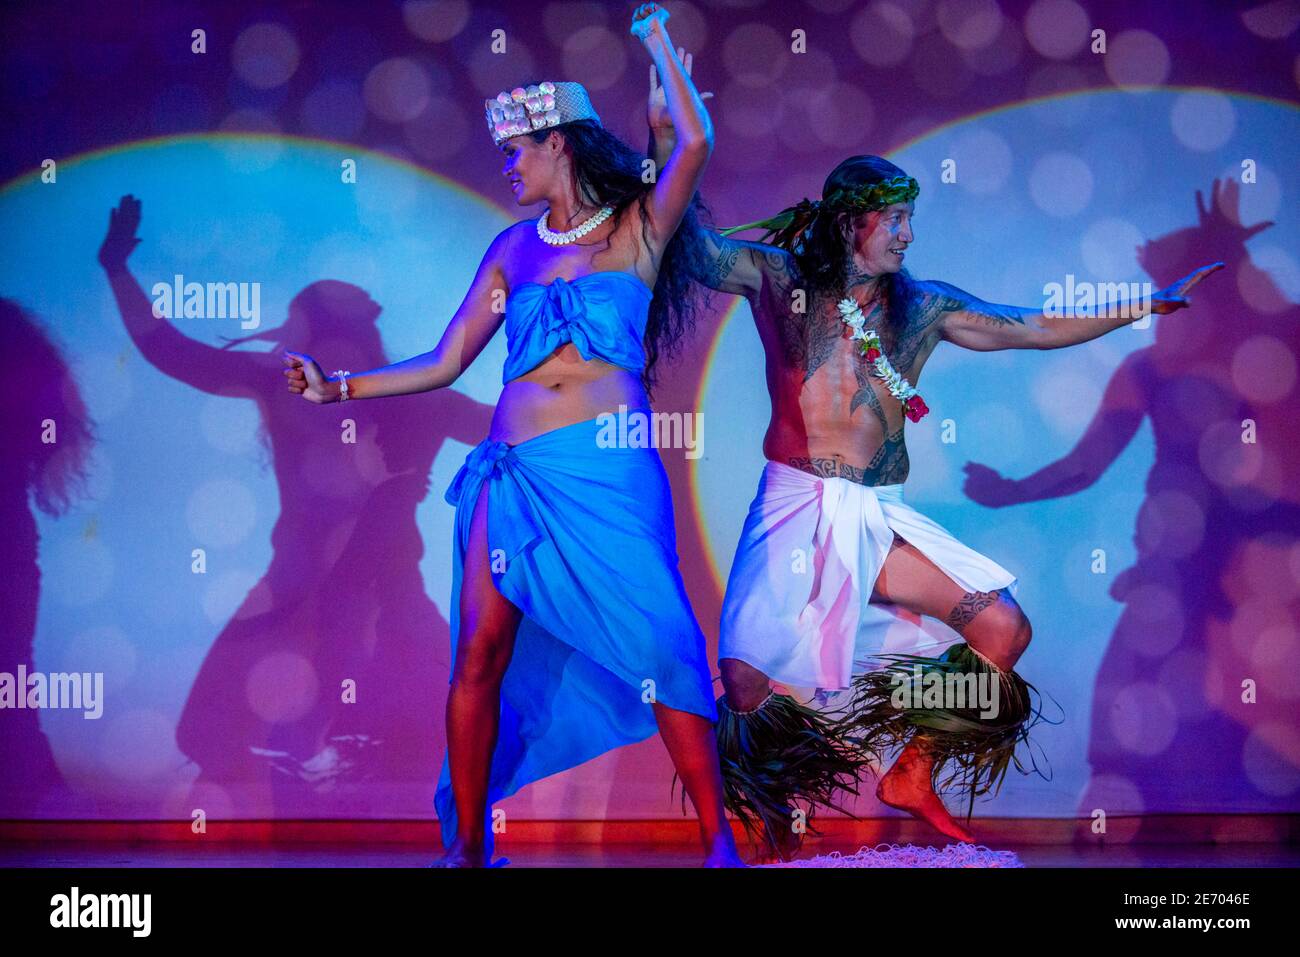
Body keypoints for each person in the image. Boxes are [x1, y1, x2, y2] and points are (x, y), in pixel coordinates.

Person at [651, 118, 1222, 856]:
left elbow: (1034, 327)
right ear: (851, 220)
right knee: (744, 679)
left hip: (877, 514)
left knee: (1002, 630)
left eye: (910, 218)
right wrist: (669, 144)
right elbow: (692, 247)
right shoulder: (780, 280)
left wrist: (1144, 304)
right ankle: (757, 833)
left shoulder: (923, 308)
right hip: (795, 502)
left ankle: (911, 772)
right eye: (894, 219)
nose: (908, 235)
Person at [284, 4, 742, 867]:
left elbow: (694, 145)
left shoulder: (639, 230)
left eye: (516, 150)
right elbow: (446, 359)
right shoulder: (511, 251)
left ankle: (718, 841)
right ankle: (467, 849)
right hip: (514, 475)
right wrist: (335, 388)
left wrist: (654, 45)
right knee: (479, 653)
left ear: (559, 142)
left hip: (607, 472)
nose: (506, 166)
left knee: (665, 642)